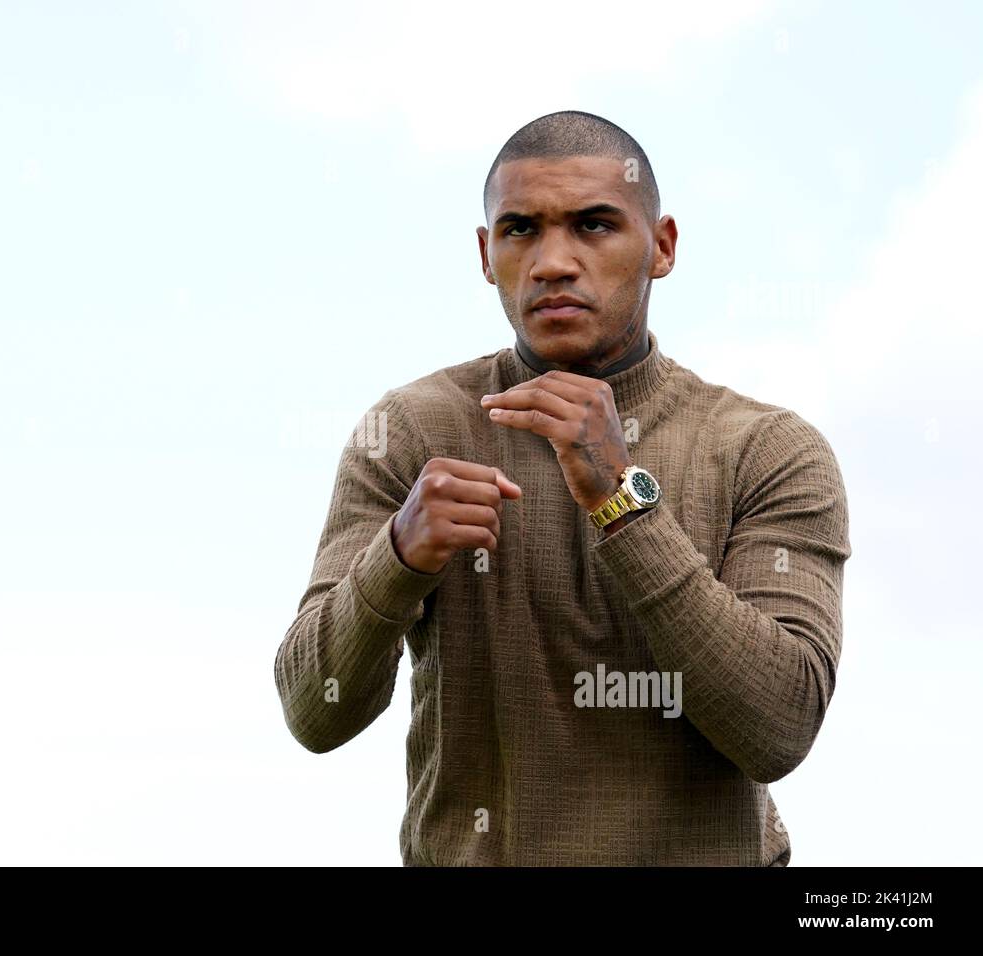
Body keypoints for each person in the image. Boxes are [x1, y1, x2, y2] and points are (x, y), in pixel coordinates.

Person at [273, 110, 851, 866]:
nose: (552, 261)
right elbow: (314, 713)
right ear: (486, 254)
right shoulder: (412, 433)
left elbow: (778, 727)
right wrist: (397, 559)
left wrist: (622, 500)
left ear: (663, 246)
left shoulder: (767, 449)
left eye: (594, 226)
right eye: (519, 230)